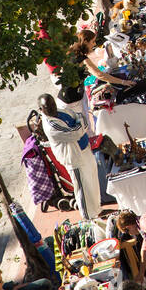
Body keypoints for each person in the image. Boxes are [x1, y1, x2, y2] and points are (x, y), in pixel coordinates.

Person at [38, 92, 102, 220]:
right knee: (82, 187)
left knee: (92, 179)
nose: (52, 108)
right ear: (41, 110)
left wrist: (79, 125)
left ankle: (97, 209)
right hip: (74, 159)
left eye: (52, 104)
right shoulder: (51, 125)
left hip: (84, 149)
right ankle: (88, 216)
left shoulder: (62, 111)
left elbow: (81, 117)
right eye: (48, 106)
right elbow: (75, 133)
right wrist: (79, 125)